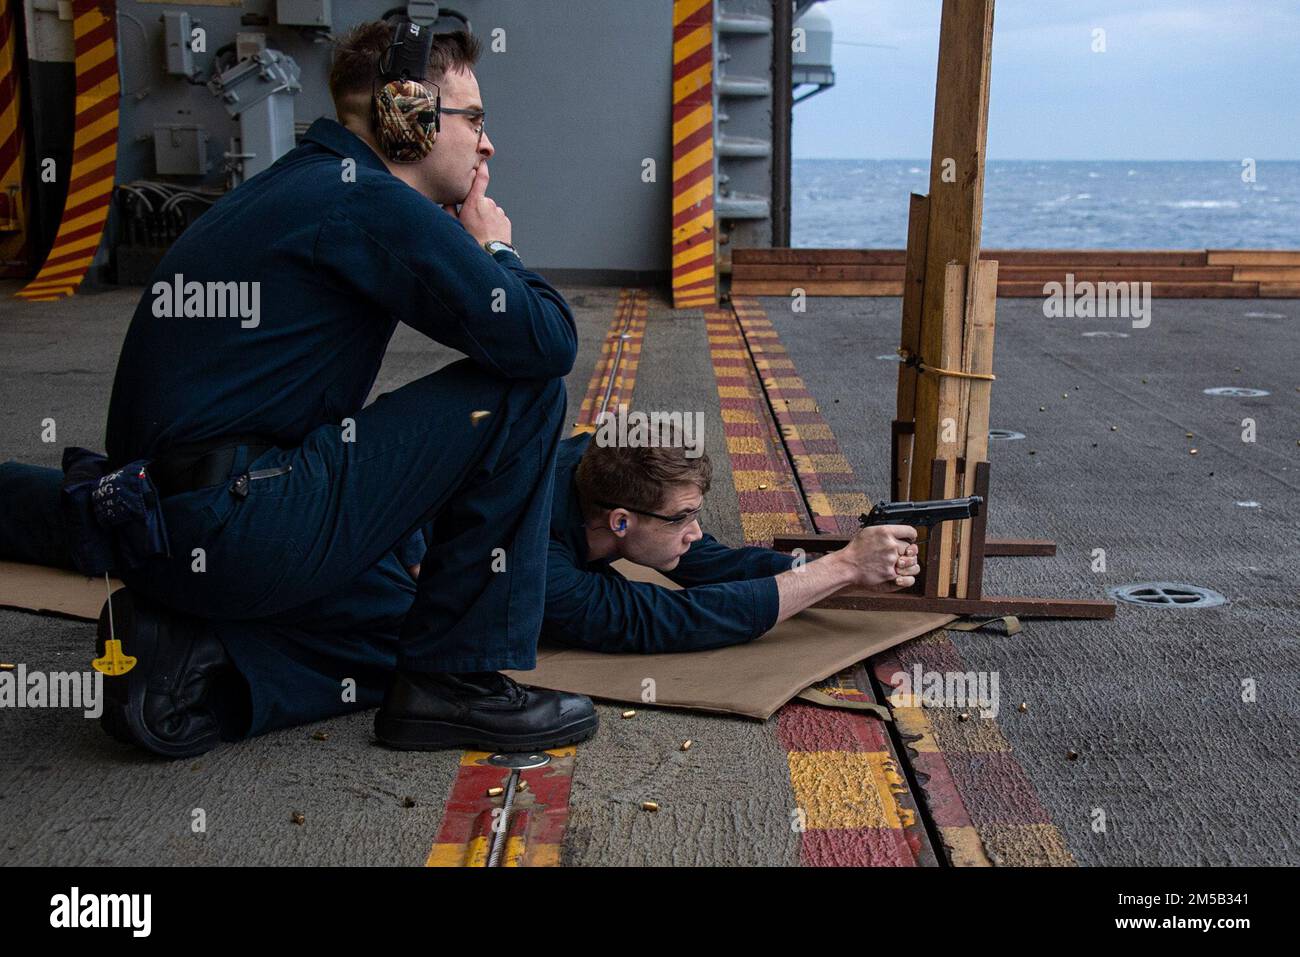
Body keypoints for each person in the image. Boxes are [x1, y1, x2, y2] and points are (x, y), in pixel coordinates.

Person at [51, 17, 598, 758]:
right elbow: (545, 341)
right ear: (407, 115)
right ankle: (454, 687)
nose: (487, 143)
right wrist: (495, 245)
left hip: (176, 531)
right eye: (474, 119)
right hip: (233, 522)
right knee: (520, 396)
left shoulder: (302, 181)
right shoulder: (367, 199)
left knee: (413, 613)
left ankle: (195, 663)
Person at [540, 432, 921, 654]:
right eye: (681, 518)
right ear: (620, 521)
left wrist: (840, 571)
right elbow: (670, 619)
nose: (694, 533)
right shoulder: (538, 563)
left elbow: (711, 562)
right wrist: (845, 567)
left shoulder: (598, 463)